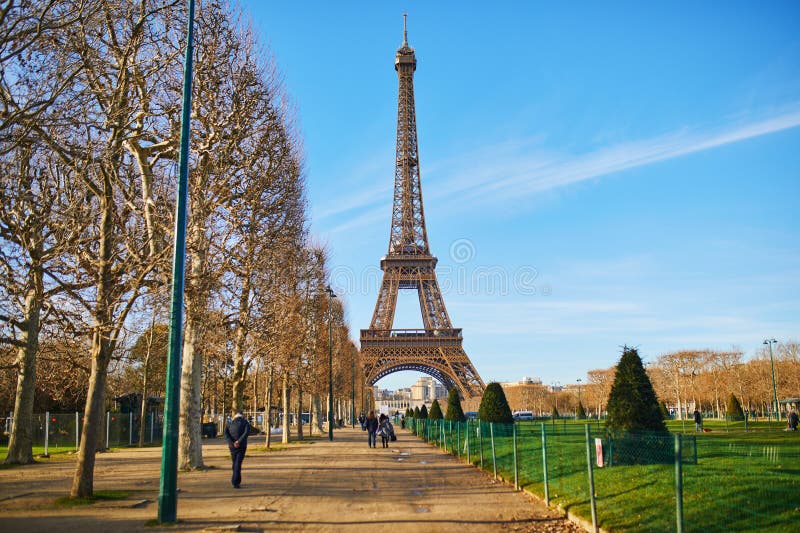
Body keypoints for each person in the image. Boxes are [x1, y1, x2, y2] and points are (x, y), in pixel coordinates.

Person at [224, 411, 251, 488]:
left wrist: (232, 443)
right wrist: (239, 441)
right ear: (242, 416)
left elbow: (226, 434)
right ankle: (235, 481)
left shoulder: (229, 423)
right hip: (242, 445)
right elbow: (246, 433)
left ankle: (235, 479)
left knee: (234, 462)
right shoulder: (245, 423)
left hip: (232, 446)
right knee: (238, 463)